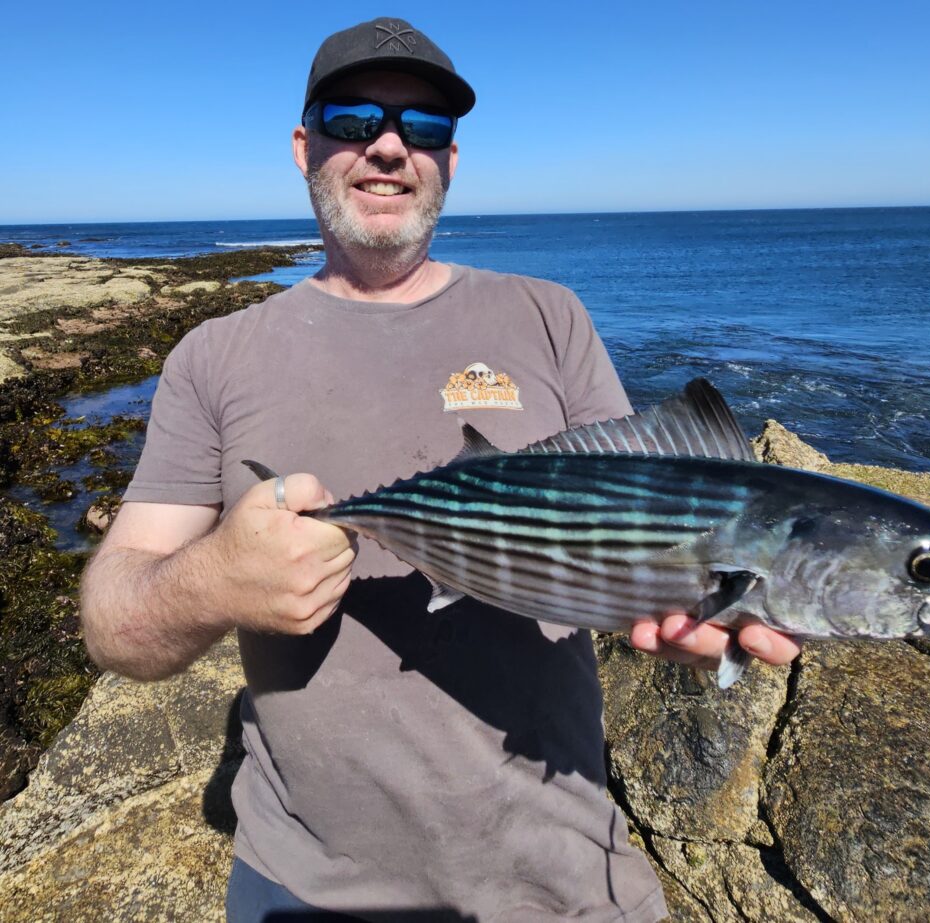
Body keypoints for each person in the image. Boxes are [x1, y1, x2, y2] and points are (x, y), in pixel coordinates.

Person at [79, 17, 801, 922]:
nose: (388, 146)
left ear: (449, 160)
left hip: (566, 879)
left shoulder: (549, 315)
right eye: (354, 119)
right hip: (305, 890)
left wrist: (699, 608)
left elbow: (639, 516)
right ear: (306, 147)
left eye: (422, 129)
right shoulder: (212, 356)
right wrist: (211, 581)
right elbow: (114, 620)